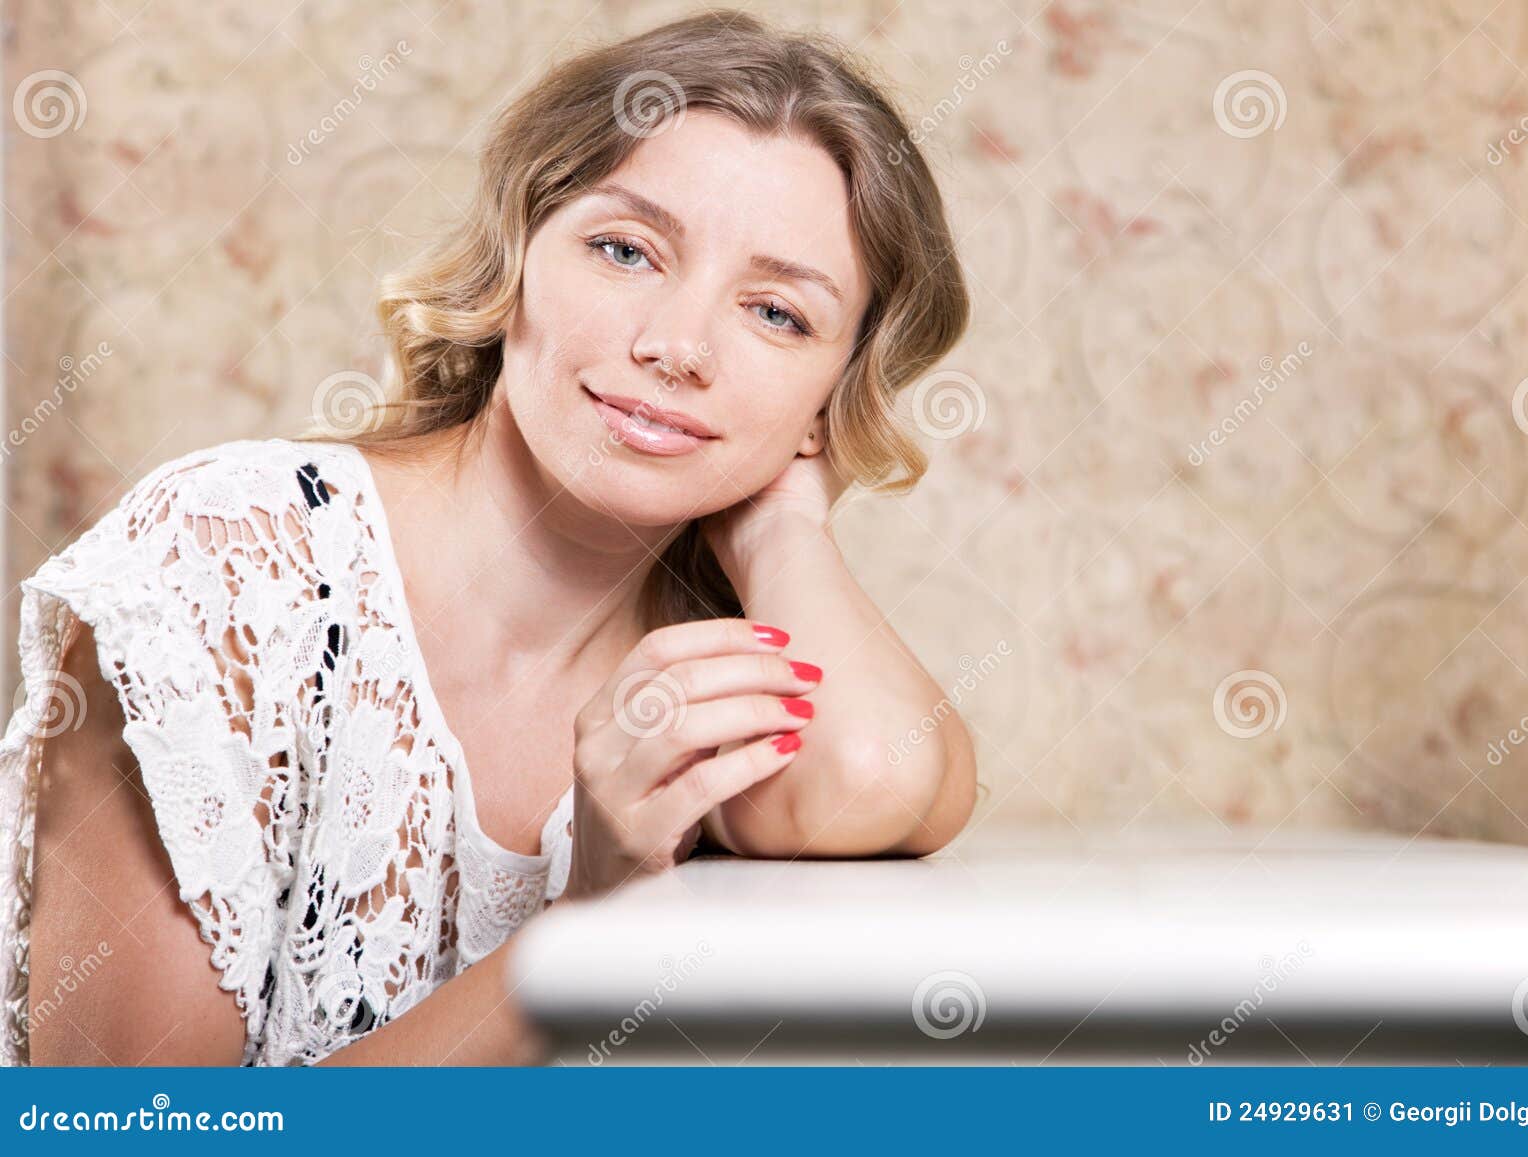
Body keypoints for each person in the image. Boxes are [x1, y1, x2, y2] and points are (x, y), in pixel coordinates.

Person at [0, 8, 976, 1067]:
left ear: (833, 397)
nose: (677, 345)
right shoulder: (224, 566)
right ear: (517, 254)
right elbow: (125, 1137)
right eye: (625, 249)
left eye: (778, 314)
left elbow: (877, 770)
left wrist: (786, 524)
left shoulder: (723, 654)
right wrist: (582, 934)